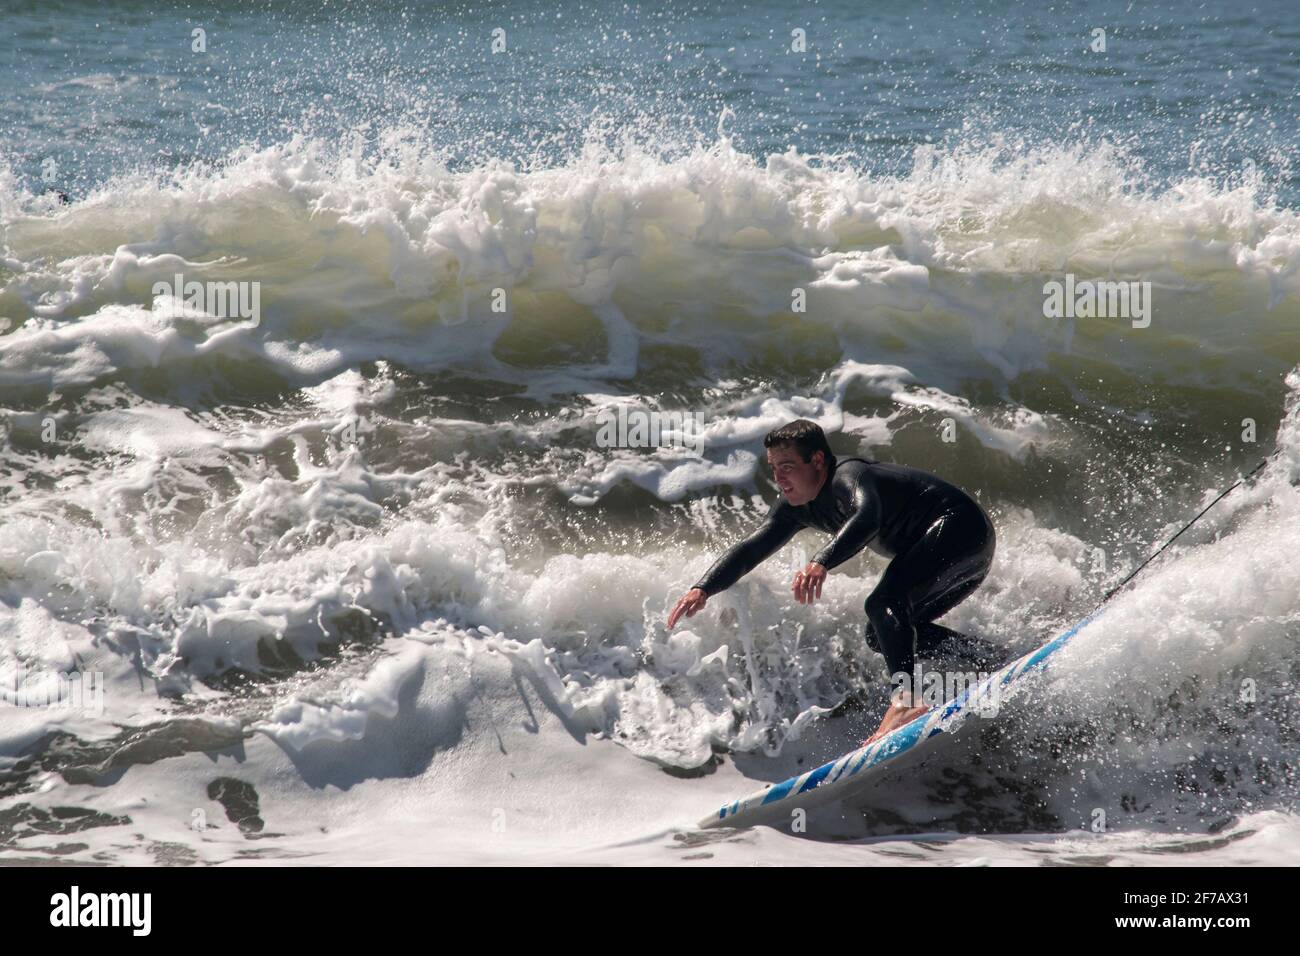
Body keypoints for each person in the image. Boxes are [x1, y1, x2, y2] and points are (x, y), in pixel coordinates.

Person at [666, 419, 1005, 745]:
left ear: (816, 461)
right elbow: (751, 548)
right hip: (963, 552)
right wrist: (704, 587)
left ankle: (907, 700)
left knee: (882, 603)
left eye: (786, 466)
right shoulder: (796, 507)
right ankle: (991, 659)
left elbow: (867, 517)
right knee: (884, 632)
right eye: (773, 468)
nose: (778, 478)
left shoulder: (849, 477)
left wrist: (820, 561)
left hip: (960, 527)